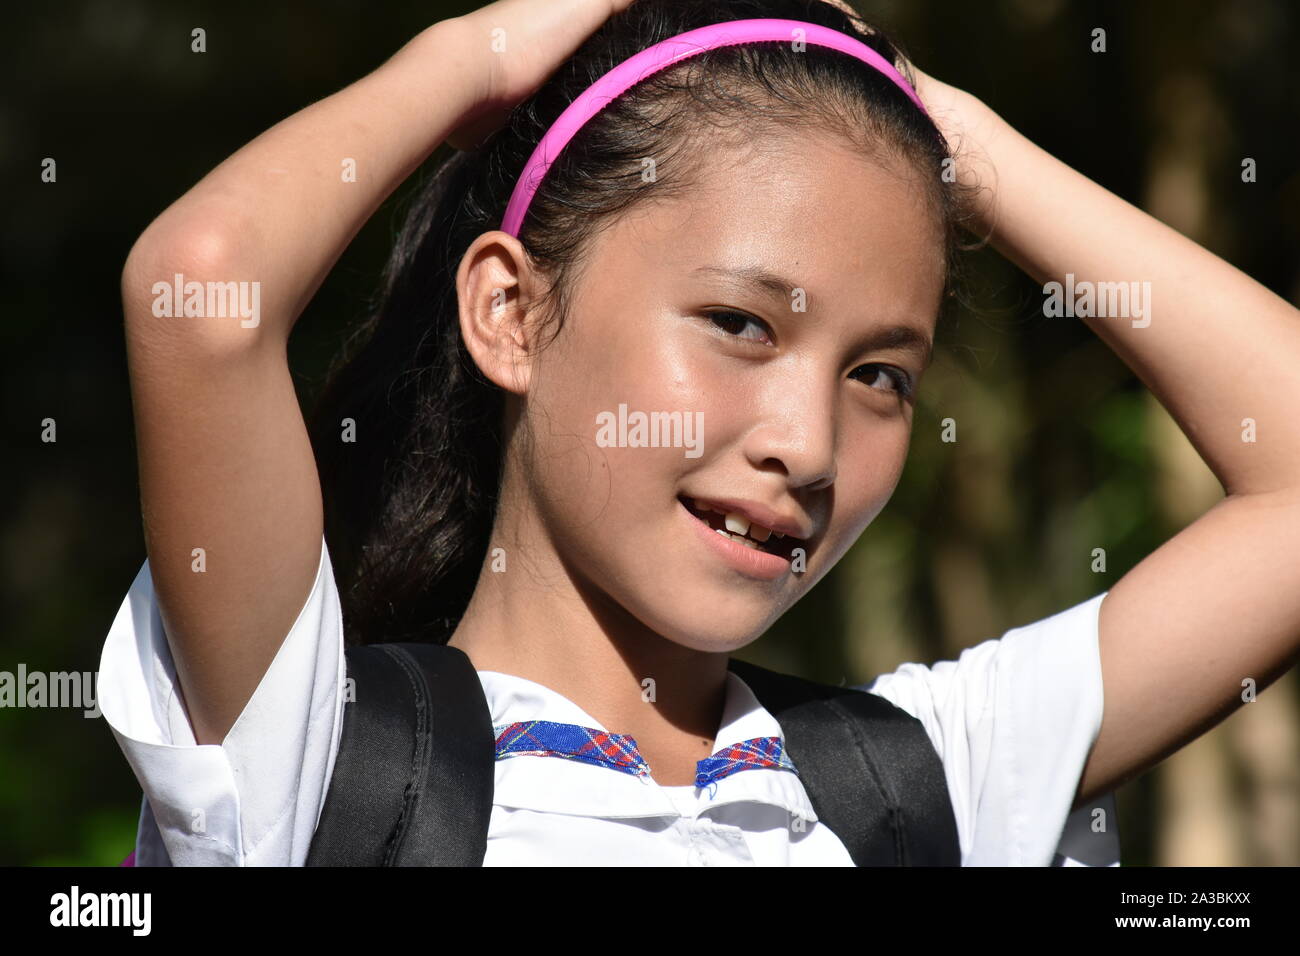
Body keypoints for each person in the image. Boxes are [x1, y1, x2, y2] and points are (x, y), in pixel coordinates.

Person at [98, 0, 1300, 866]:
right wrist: (477, 55)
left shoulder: (912, 783)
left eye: (880, 374)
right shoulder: (301, 757)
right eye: (738, 322)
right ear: (510, 311)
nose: (810, 444)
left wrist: (945, 131)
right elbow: (199, 295)